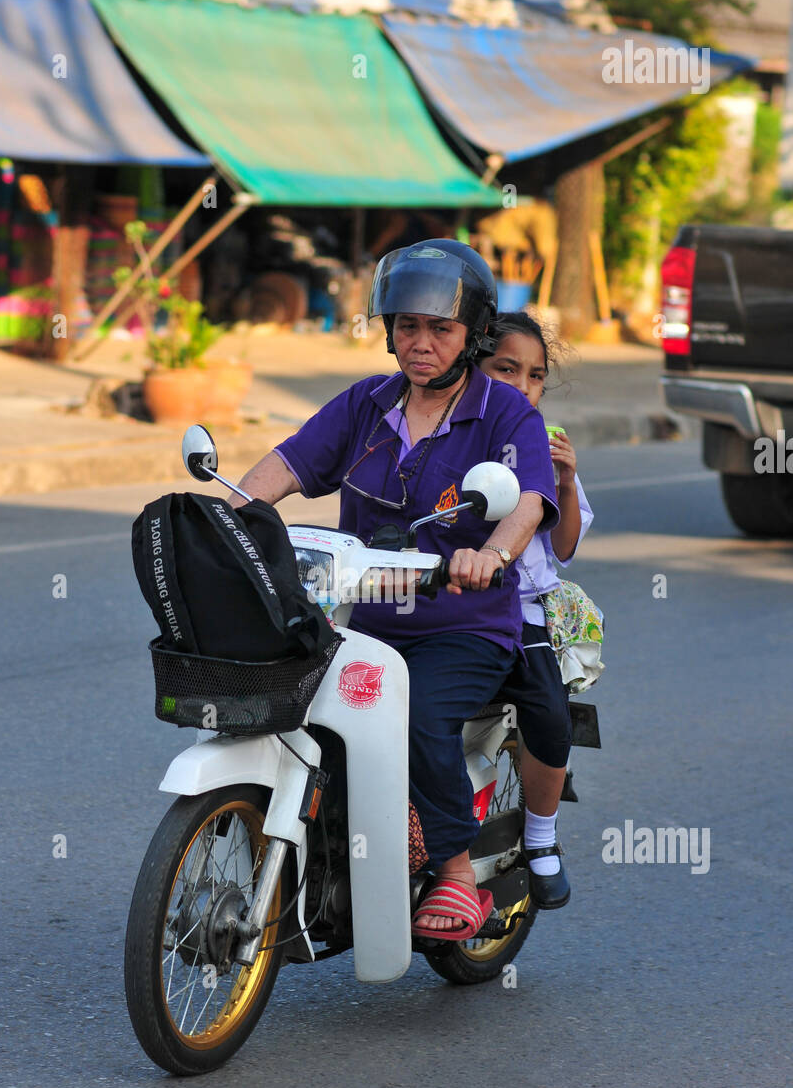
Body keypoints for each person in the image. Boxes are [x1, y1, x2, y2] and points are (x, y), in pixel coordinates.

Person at [230, 241, 559, 938]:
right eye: (407, 326)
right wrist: (228, 516)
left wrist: (492, 553)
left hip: (461, 626)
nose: (419, 343)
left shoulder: (504, 414)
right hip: (359, 619)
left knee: (413, 711)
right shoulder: (365, 405)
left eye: (439, 329)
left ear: (470, 335)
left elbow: (530, 498)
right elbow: (287, 464)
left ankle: (455, 872)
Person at [480, 311, 595, 908]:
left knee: (546, 708)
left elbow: (567, 546)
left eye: (535, 377)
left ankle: (542, 838)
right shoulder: (454, 430)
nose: (523, 387)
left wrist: (567, 484)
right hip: (439, 602)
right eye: (506, 370)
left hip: (519, 610)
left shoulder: (543, 445)